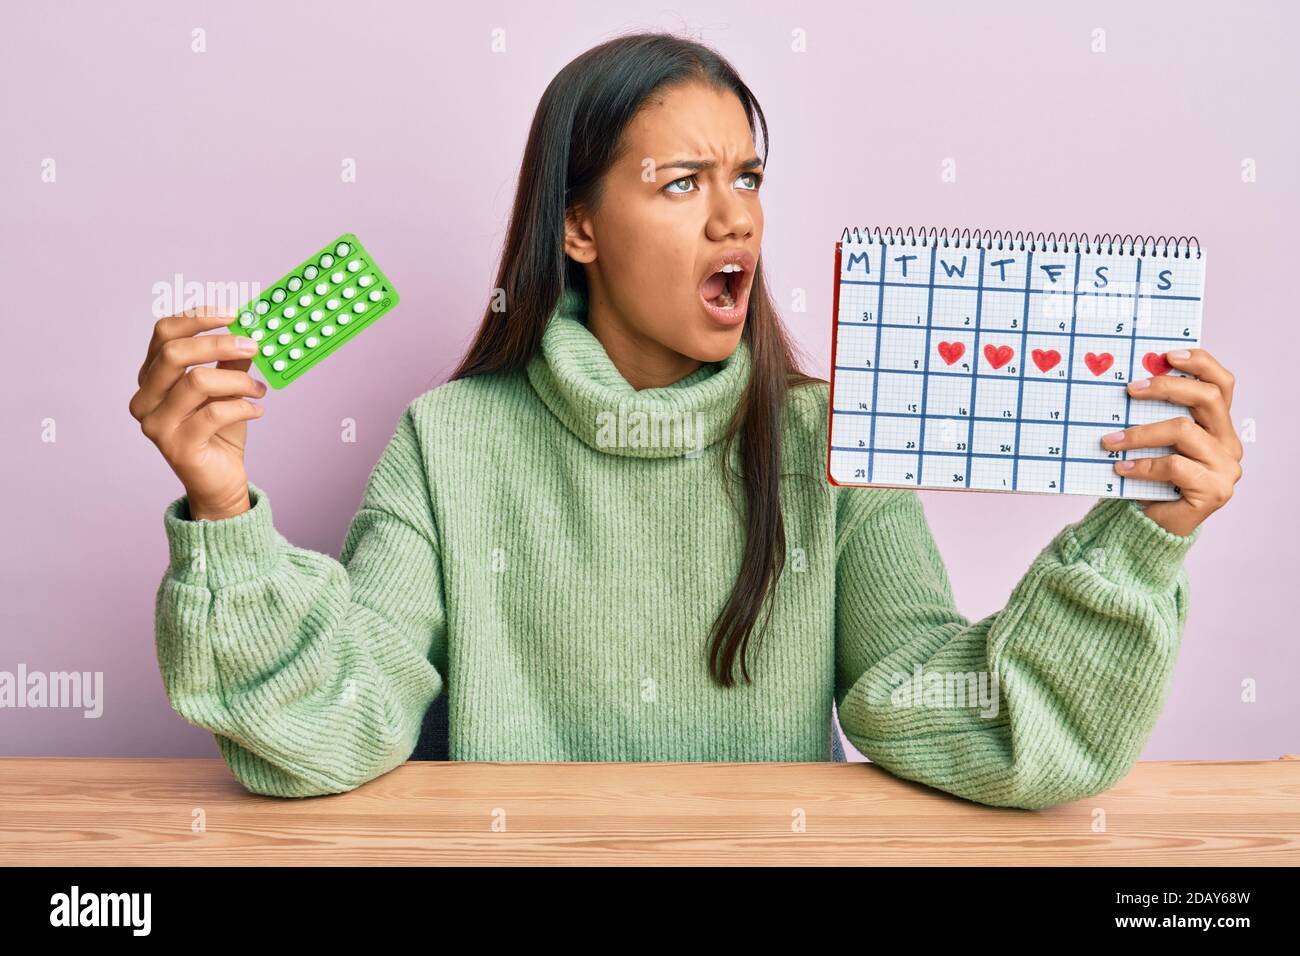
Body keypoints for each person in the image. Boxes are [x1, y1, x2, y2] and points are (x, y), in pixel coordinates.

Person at [128, 32, 1242, 808]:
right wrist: (224, 506)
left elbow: (970, 723)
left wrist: (1143, 538)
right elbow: (343, 722)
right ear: (579, 229)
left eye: (748, 176)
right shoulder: (448, 441)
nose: (734, 217)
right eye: (680, 182)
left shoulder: (829, 441)